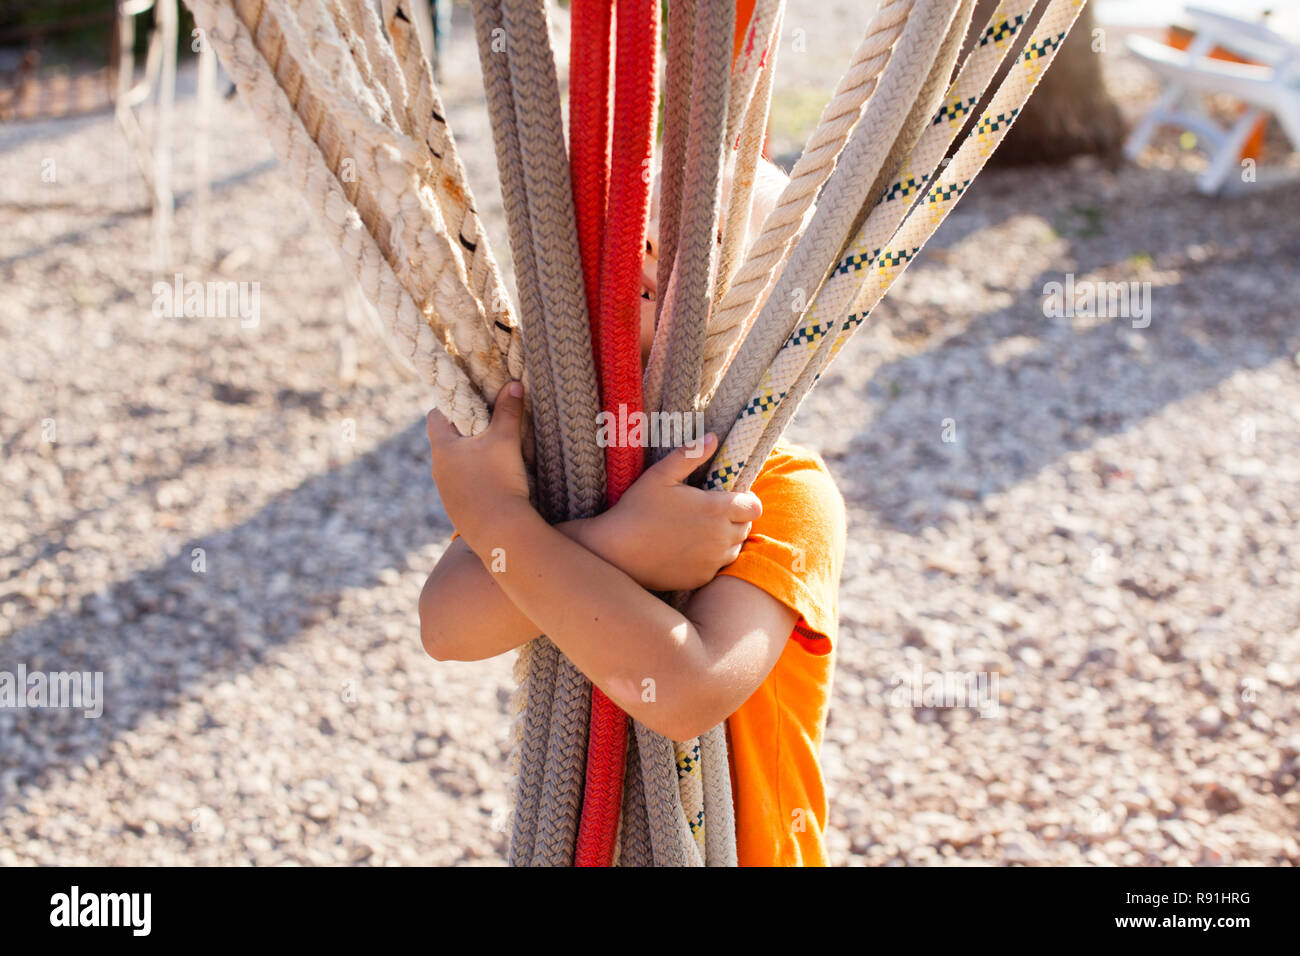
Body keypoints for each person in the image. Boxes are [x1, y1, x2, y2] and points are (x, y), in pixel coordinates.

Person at [420, 158, 846, 866]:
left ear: (772, 306)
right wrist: (615, 543)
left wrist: (506, 523)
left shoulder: (782, 491)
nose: (648, 242)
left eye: (704, 235)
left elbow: (686, 691)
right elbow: (445, 625)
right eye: (639, 219)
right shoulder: (558, 467)